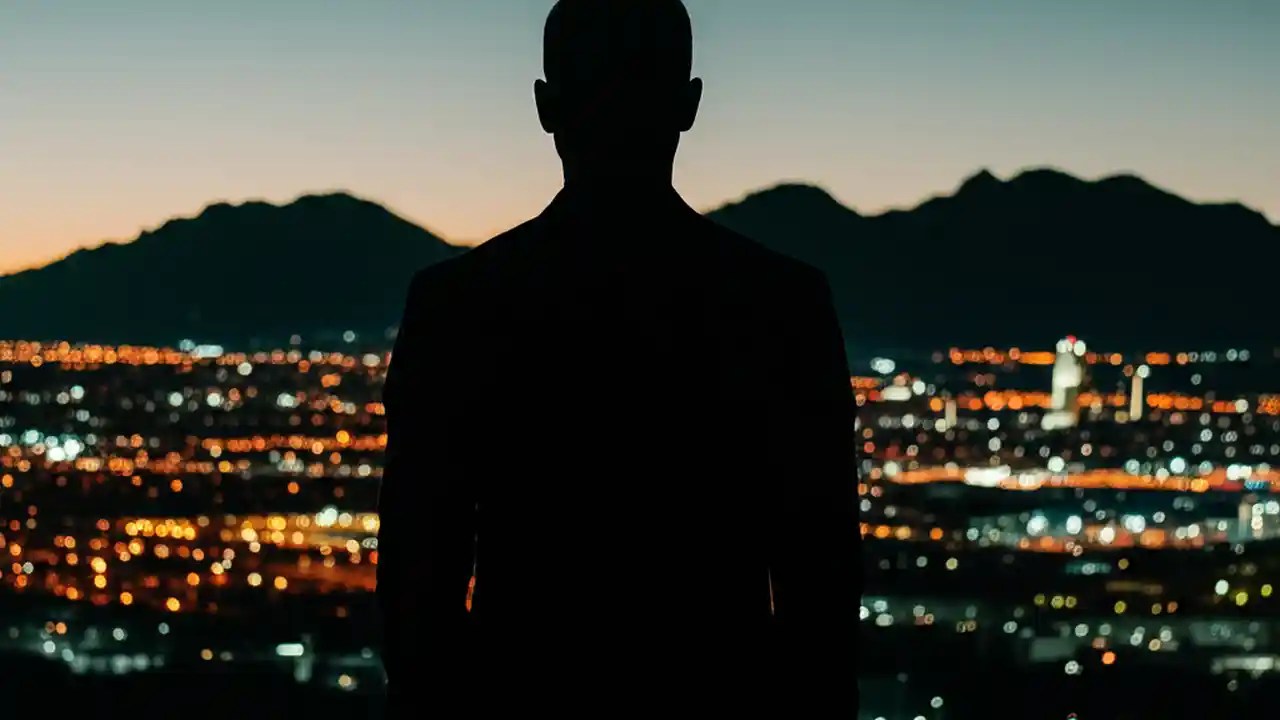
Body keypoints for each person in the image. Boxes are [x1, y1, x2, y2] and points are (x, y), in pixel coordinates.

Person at [377, 0, 859, 715]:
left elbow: (420, 581)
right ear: (690, 105)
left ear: (545, 106)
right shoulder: (781, 305)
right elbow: (820, 580)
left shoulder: (459, 305)